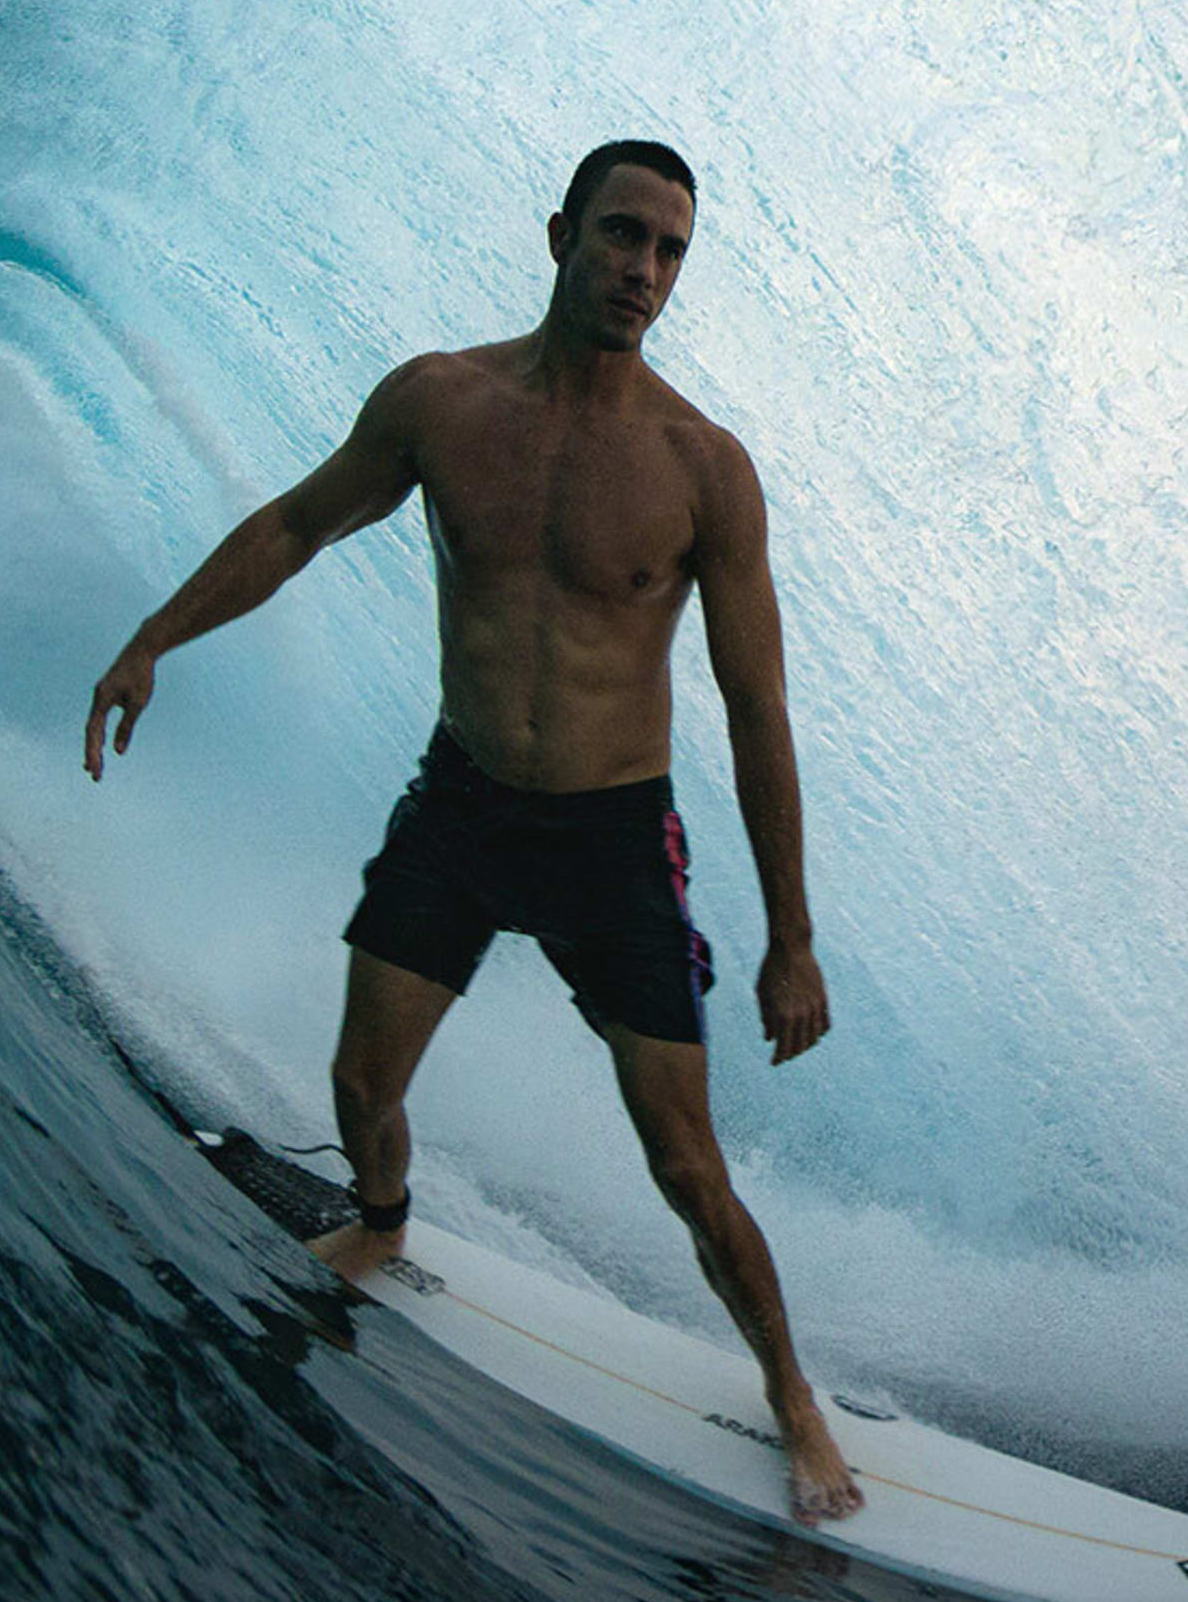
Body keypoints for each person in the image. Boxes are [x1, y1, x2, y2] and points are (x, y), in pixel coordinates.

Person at [82, 139, 862, 1520]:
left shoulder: (704, 470)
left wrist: (791, 943)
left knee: (684, 1163)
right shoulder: (442, 404)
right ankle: (380, 1226)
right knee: (359, 1087)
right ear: (562, 232)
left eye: (671, 252)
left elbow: (758, 716)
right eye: (624, 235)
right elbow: (298, 524)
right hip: (466, 802)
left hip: (616, 840)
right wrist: (156, 637)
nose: (644, 271)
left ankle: (792, 1396)